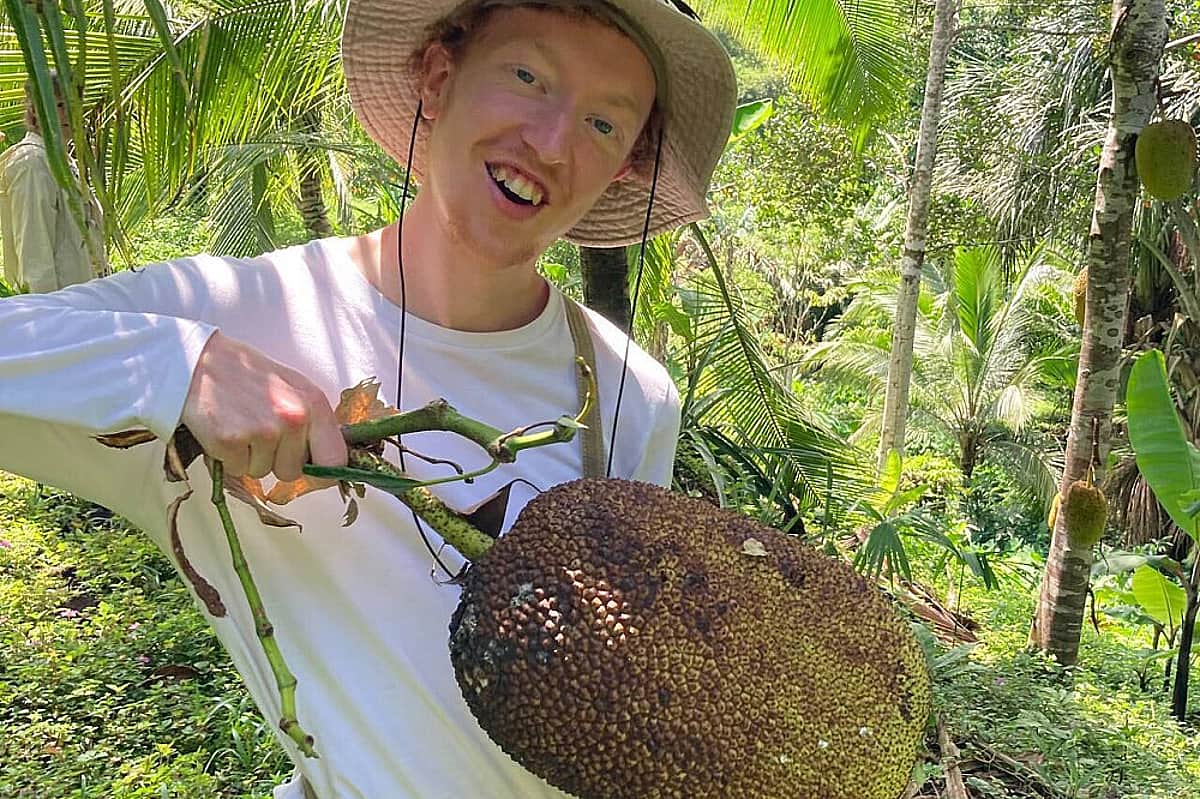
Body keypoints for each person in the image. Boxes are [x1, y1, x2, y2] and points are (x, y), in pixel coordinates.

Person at [0, 0, 735, 796]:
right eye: (527, 76)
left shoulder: (633, 392)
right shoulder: (236, 314)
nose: (552, 144)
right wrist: (184, 365)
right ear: (438, 76)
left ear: (628, 162)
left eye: (603, 124)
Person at [0, 71, 107, 293]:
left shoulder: (60, 160)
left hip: (83, 304)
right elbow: (34, 259)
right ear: (35, 110)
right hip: (61, 312)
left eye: (74, 104)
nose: (69, 113)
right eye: (59, 104)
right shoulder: (32, 163)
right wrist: (50, 319)